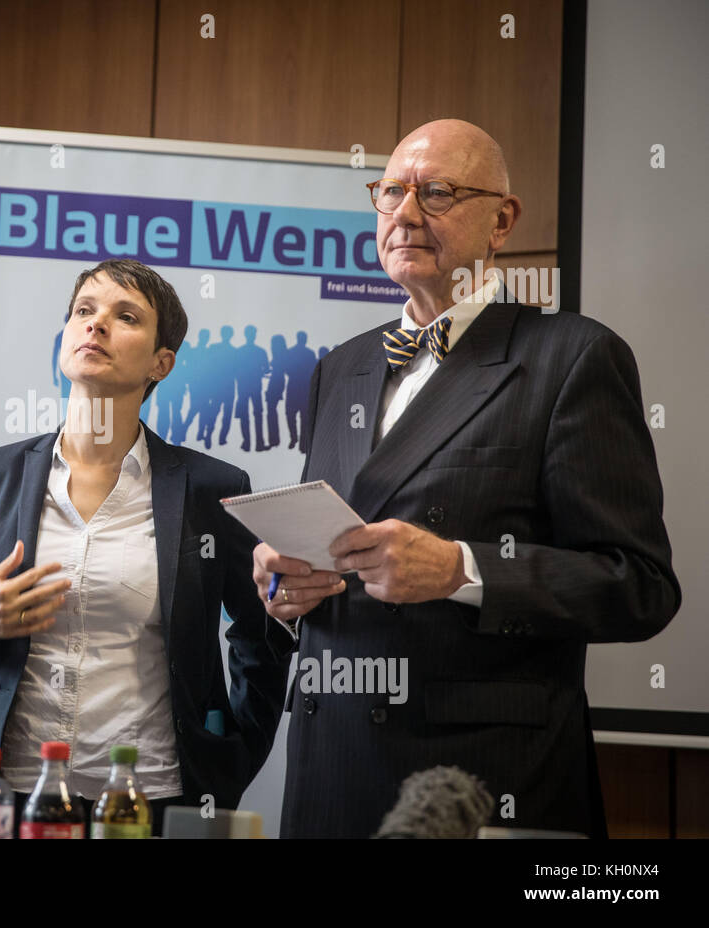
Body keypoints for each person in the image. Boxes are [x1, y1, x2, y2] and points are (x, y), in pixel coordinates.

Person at [252, 119, 679, 838]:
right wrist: (280, 586)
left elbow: (637, 587)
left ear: (502, 221)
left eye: (438, 192)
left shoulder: (572, 357)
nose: (406, 215)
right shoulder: (340, 366)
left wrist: (460, 568)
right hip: (330, 770)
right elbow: (330, 545)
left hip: (479, 783)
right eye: (391, 193)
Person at [0, 259, 290, 836]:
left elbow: (260, 637)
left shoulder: (213, 489)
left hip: (153, 797)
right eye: (84, 311)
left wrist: (231, 756)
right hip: (5, 794)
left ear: (161, 362)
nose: (95, 326)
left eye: (125, 316)